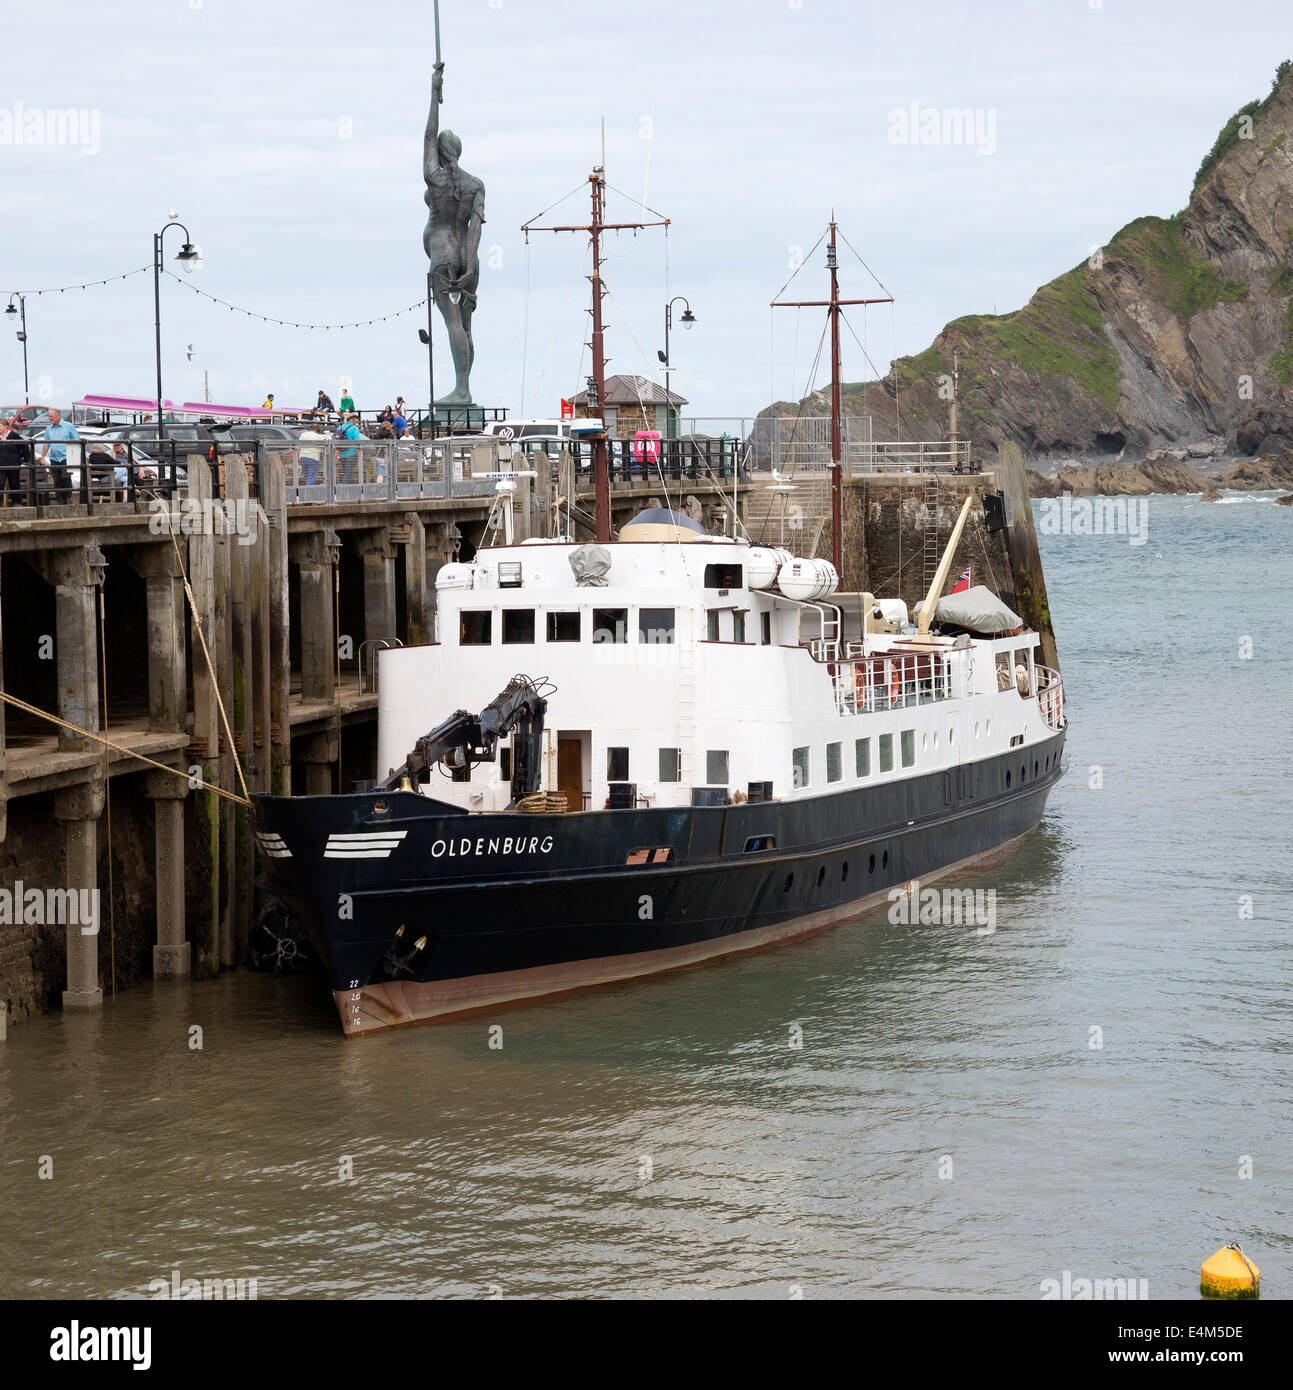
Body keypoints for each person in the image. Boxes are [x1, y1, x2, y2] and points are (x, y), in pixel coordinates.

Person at [39, 408, 81, 502]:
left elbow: (77, 440)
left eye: (51, 416)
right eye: (49, 416)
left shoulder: (68, 426)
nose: (50, 418)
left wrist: (74, 456)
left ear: (58, 416)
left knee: (65, 477)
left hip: (66, 456)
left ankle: (68, 497)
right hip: (54, 457)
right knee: (57, 480)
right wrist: (42, 456)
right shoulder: (48, 429)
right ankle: (60, 500)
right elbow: (46, 443)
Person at [0, 416, 33, 505]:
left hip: (13, 465)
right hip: (1, 466)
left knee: (14, 484)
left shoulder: (14, 435)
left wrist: (22, 460)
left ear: (6, 426)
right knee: (0, 484)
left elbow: (25, 446)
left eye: (0, 426)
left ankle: (17, 504)